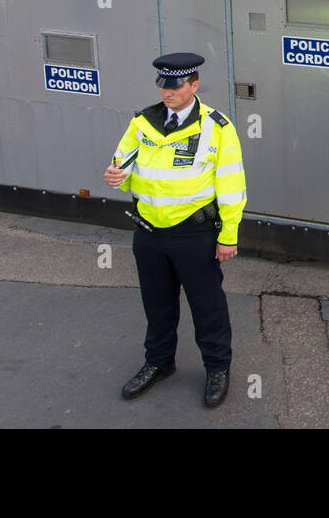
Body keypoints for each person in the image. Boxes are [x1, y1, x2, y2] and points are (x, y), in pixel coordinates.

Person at [103, 52, 246, 409]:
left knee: (207, 306)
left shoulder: (217, 127)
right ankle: (159, 362)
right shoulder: (143, 122)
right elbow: (124, 163)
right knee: (157, 305)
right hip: (149, 233)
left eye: (175, 86)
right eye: (163, 85)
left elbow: (231, 185)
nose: (167, 92)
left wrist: (228, 235)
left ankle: (217, 368)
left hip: (194, 235)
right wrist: (115, 175)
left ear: (193, 86)